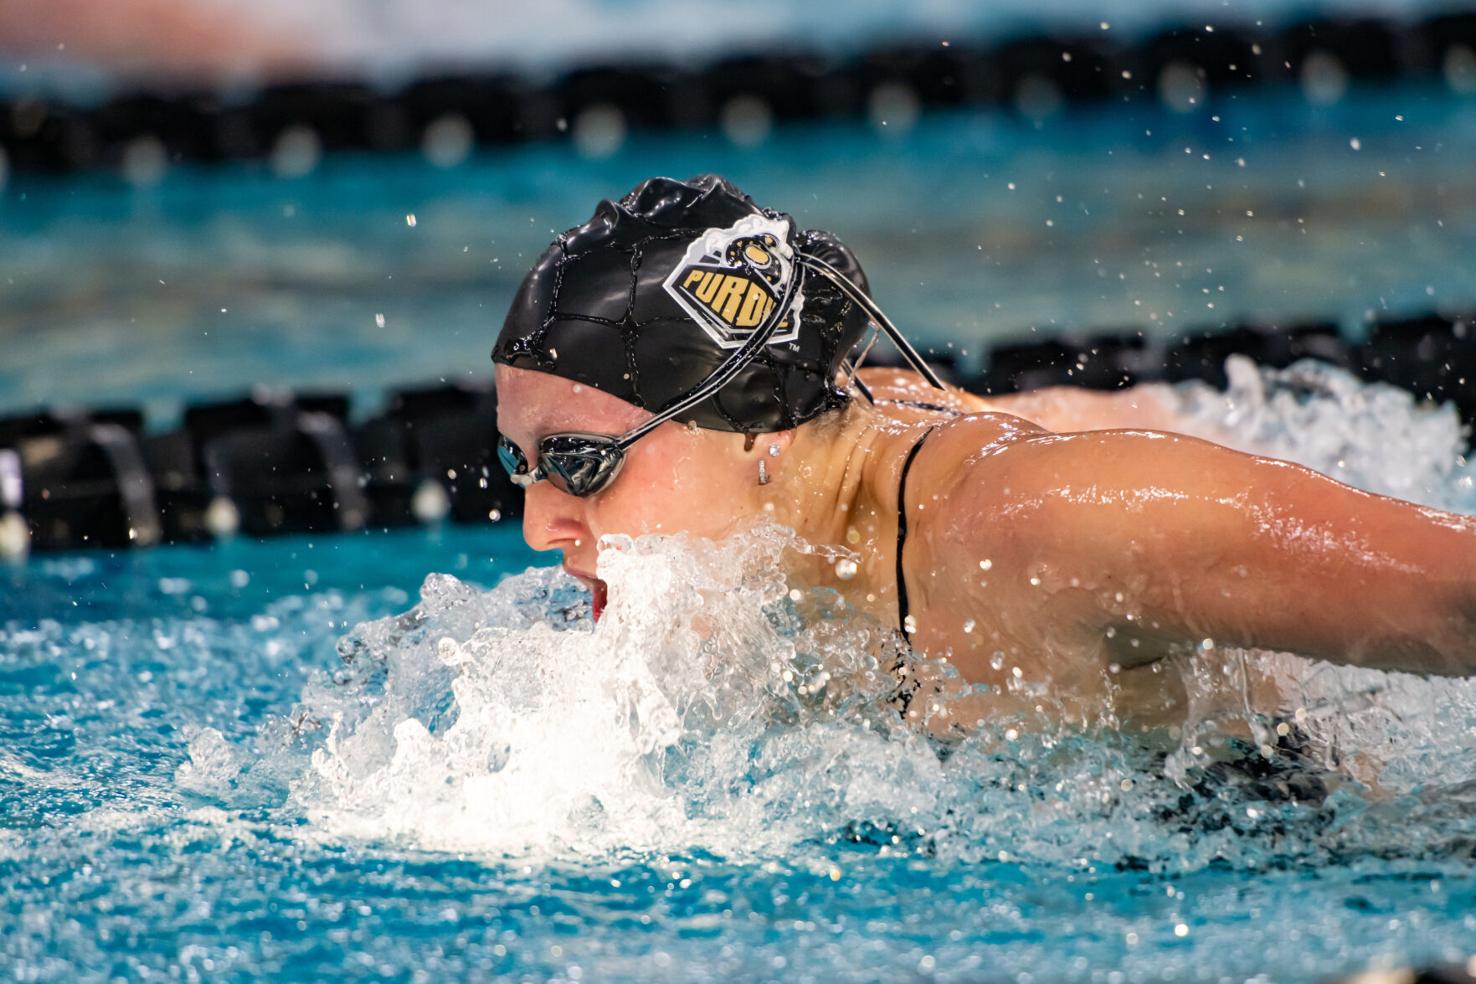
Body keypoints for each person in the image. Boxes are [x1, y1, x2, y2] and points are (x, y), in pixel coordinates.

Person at [492, 173, 1476, 732]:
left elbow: (1452, 590)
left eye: (581, 464)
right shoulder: (763, 536)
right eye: (519, 463)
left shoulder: (1038, 532)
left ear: (758, 425)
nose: (540, 526)